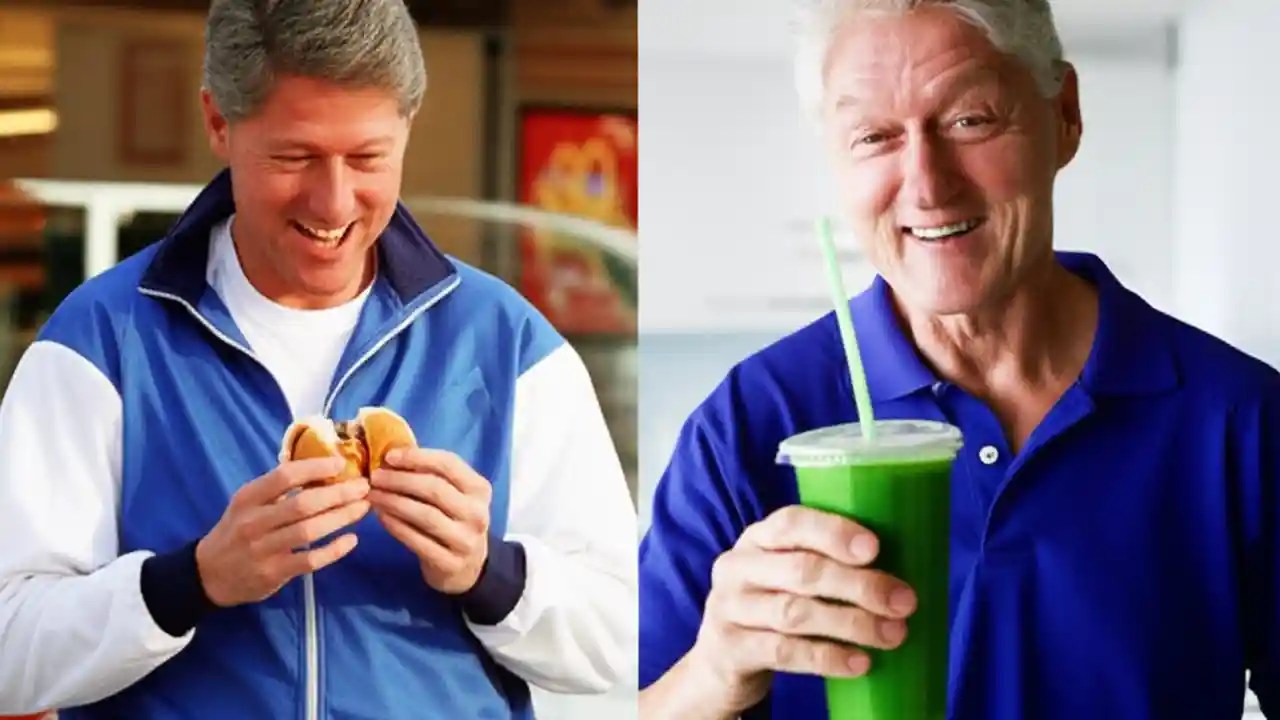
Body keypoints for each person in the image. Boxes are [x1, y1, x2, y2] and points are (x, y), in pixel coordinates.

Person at [638, 1, 1280, 719]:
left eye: (970, 120)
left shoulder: (1242, 421)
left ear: (1064, 114)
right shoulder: (748, 424)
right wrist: (713, 673)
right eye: (874, 136)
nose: (928, 184)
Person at [0, 1, 636, 718]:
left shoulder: (508, 344)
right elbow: (9, 650)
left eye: (367, 158)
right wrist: (191, 582)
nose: (333, 204)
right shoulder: (100, 342)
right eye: (294, 157)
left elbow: (617, 640)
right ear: (218, 122)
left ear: (407, 128)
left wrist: (489, 573)